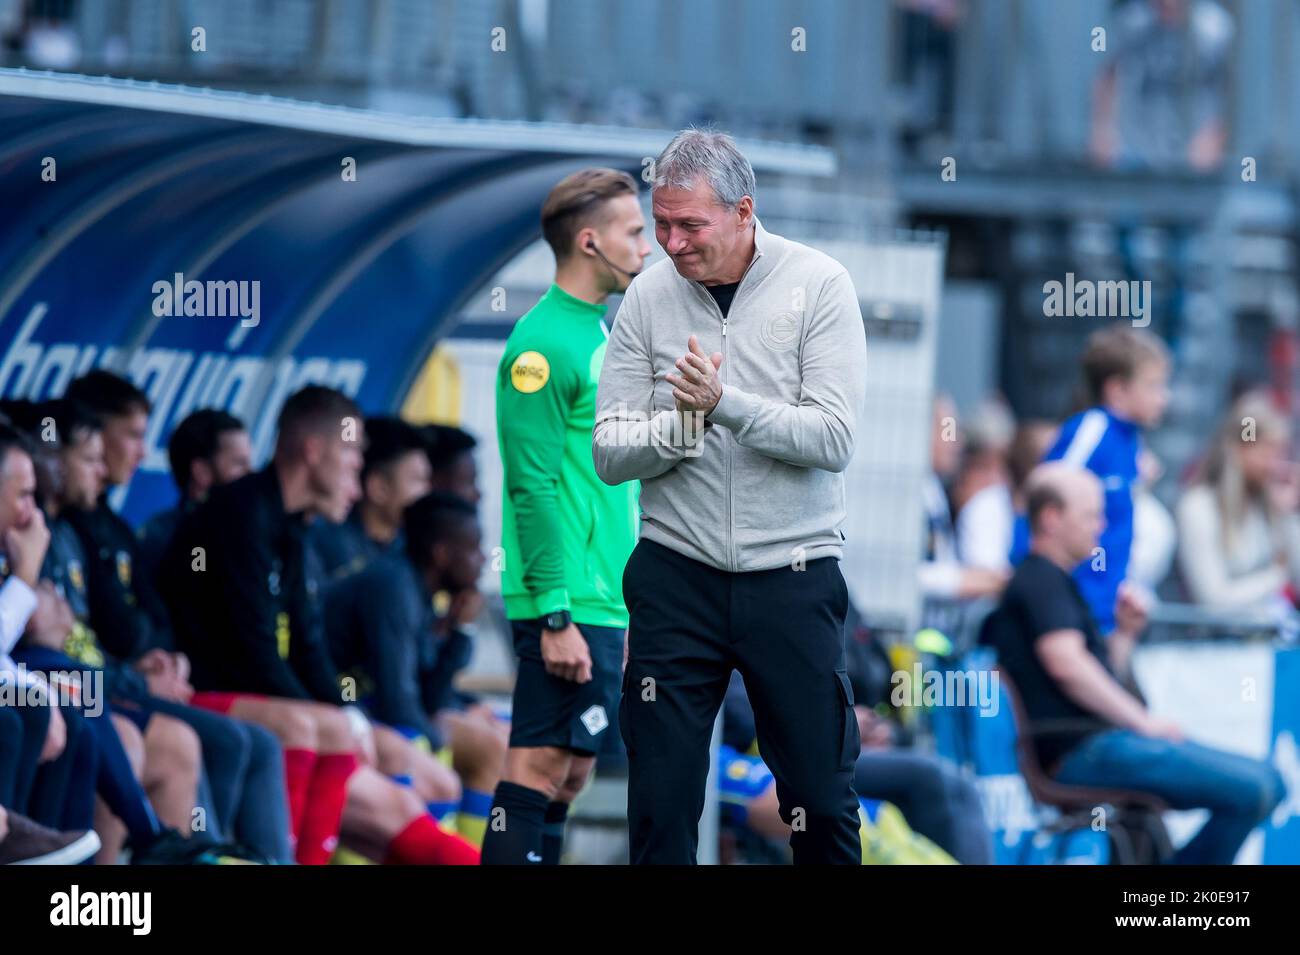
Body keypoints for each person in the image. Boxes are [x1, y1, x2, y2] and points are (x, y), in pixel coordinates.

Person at [594, 128, 867, 864]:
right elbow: (609, 452)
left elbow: (834, 438)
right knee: (661, 797)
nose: (672, 243)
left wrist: (725, 404)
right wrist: (678, 426)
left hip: (795, 573)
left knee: (819, 796)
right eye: (662, 224)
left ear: (744, 210)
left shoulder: (821, 284)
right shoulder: (646, 297)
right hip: (675, 573)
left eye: (691, 226)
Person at [160, 385, 478, 865]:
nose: (358, 473)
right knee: (332, 732)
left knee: (382, 761)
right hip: (203, 696)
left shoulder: (294, 529)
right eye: (351, 456)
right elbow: (255, 654)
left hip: (271, 710)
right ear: (313, 450)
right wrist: (337, 720)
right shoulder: (240, 514)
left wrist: (346, 714)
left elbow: (307, 647)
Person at [984, 462, 1284, 864]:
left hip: (1099, 745)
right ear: (1052, 518)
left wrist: (1123, 634)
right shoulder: (1039, 580)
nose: (1101, 525)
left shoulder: (1055, 582)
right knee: (1258, 788)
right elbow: (1066, 665)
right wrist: (1141, 723)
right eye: (1091, 514)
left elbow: (1093, 672)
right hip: (1084, 751)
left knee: (1268, 785)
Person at [483, 166, 649, 865]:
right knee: (539, 765)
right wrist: (554, 615)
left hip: (603, 598)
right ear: (590, 242)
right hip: (565, 599)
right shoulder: (542, 344)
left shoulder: (595, 333)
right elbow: (533, 486)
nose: (647, 247)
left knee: (571, 772)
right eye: (634, 232)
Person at [325, 491, 503, 848]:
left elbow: (430, 693)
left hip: (374, 712)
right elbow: (398, 701)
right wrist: (438, 737)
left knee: (498, 740)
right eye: (474, 548)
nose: (484, 559)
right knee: (443, 769)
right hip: (344, 712)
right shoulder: (394, 587)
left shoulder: (421, 590)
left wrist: (460, 628)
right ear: (441, 553)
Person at [1038, 327, 1170, 634]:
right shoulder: (1093, 428)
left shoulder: (1132, 444)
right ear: (1117, 390)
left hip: (1105, 613)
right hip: (1068, 607)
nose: (1164, 398)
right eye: (1153, 386)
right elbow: (1045, 491)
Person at [1177, 392, 1300, 612]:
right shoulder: (1198, 506)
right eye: (1268, 450)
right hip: (1218, 640)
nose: (1276, 463)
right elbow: (1213, 601)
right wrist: (1279, 577)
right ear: (1240, 448)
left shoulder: (1268, 504)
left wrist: (1289, 514)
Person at [136, 408, 252, 589]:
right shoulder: (187, 543)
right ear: (202, 472)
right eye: (239, 464)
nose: (251, 474)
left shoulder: (251, 535)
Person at [312, 416, 431, 580]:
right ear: (378, 488)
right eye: (417, 480)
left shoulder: (410, 552)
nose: (427, 493)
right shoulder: (326, 543)